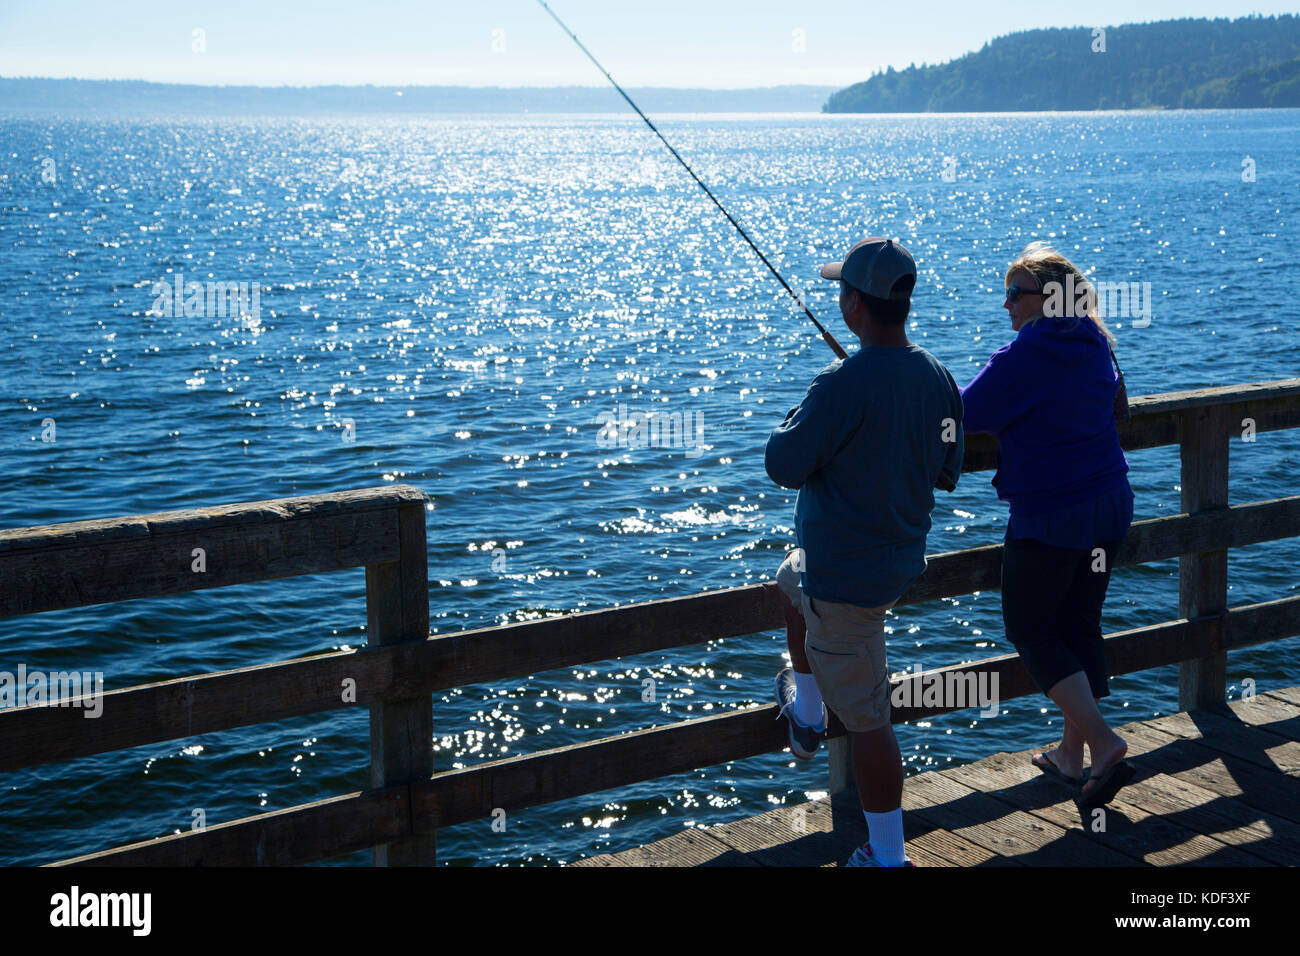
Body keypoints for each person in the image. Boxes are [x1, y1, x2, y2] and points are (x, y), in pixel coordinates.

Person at [765, 237, 964, 867]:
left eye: (840, 291)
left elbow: (783, 464)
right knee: (790, 579)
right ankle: (807, 712)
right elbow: (948, 468)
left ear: (855, 306)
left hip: (848, 583)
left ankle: (887, 858)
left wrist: (835, 395)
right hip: (893, 564)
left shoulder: (839, 384)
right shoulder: (937, 378)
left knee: (873, 723)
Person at [961, 241, 1136, 812]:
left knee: (1032, 631)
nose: (1006, 303)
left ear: (1047, 299)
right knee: (1077, 623)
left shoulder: (1025, 355)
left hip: (1051, 515)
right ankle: (1070, 753)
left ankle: (1105, 743)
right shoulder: (1096, 345)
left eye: (1015, 293)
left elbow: (967, 416)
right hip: (1110, 507)